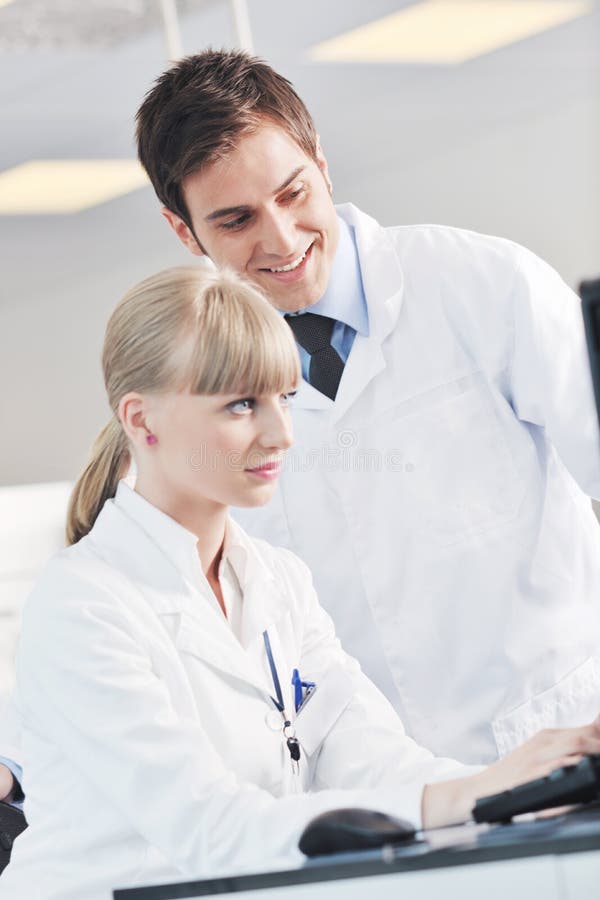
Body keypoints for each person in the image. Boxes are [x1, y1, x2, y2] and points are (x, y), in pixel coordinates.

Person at [1, 265, 599, 900]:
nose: (283, 434)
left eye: (285, 398)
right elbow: (210, 826)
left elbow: (367, 754)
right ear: (143, 421)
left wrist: (524, 787)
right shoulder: (84, 605)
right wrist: (464, 796)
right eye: (241, 404)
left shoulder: (277, 580)